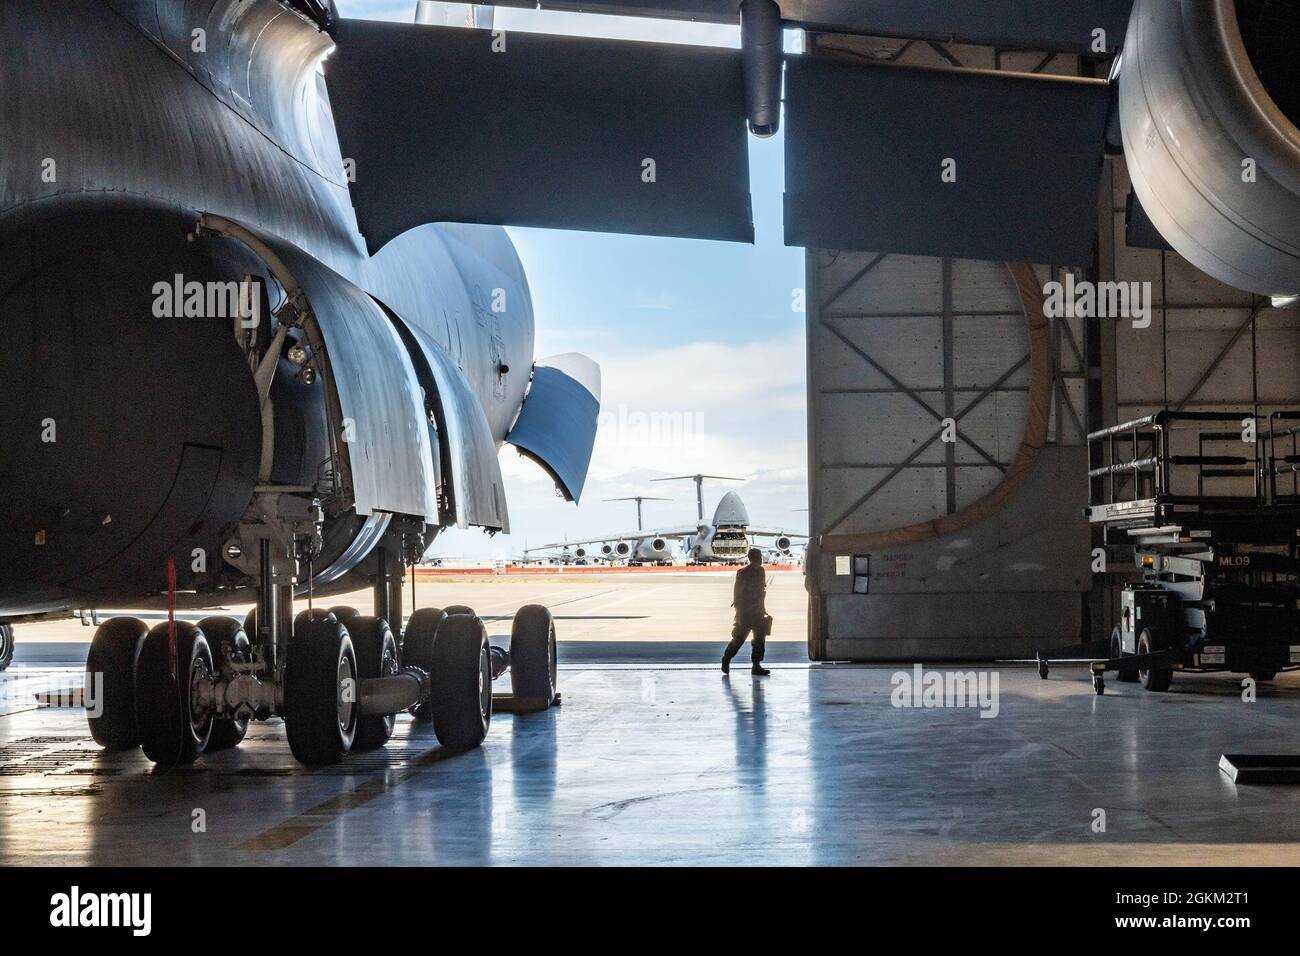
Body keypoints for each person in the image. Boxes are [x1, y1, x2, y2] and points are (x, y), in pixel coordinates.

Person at [722, 547, 771, 676]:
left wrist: (763, 609)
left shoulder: (761, 571)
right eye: (759, 557)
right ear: (753, 558)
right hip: (746, 612)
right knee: (739, 638)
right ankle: (726, 659)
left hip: (758, 611)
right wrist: (740, 613)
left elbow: (761, 592)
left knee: (759, 640)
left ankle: (756, 665)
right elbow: (738, 594)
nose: (761, 559)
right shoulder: (743, 573)